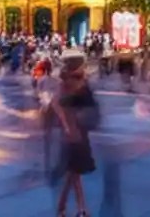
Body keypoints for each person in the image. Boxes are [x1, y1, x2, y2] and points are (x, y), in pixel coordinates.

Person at [52, 52, 99, 217]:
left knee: (74, 172)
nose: (85, 67)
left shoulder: (80, 81)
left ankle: (63, 208)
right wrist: (66, 125)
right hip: (73, 131)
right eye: (83, 64)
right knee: (75, 171)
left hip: (80, 130)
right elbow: (57, 103)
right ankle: (81, 210)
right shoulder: (68, 83)